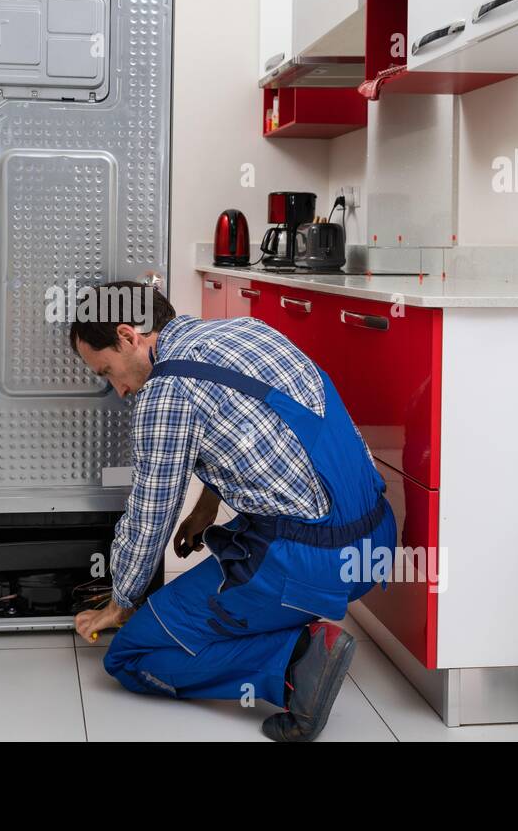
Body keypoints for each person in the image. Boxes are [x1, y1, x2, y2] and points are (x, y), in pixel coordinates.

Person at [69, 281, 396, 742]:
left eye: (108, 371)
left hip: (310, 565)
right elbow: (255, 432)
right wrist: (207, 506)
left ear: (129, 336)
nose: (119, 390)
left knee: (130, 657)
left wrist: (120, 601)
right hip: (374, 537)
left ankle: (297, 660)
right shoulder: (246, 330)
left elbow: (149, 519)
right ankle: (286, 624)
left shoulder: (165, 394)